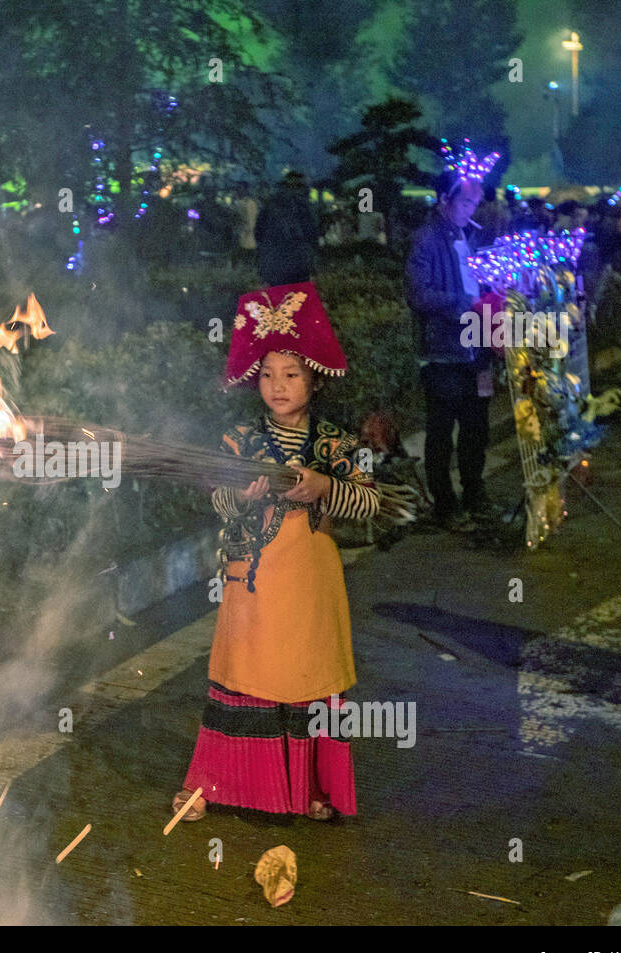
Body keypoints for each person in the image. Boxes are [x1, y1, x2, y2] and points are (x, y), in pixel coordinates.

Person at [174, 282, 380, 823]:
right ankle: (213, 784)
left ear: (314, 377)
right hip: (254, 585)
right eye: (267, 375)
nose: (278, 386)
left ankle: (310, 788)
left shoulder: (335, 444)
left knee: (306, 684)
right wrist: (239, 495)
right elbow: (217, 500)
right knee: (246, 680)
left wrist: (325, 489)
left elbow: (369, 502)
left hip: (310, 585)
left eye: (291, 374)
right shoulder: (239, 441)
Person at [405, 172, 494, 528]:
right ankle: (445, 502)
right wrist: (464, 303)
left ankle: (474, 491)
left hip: (478, 349)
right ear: (444, 199)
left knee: (477, 429)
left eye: (475, 202)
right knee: (441, 431)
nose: (472, 209)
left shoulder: (472, 236)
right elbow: (418, 294)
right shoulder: (425, 240)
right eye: (465, 202)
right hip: (443, 351)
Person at [254, 172, 319, 285]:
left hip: (274, 264)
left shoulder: (269, 205)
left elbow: (258, 234)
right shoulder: (304, 206)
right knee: (298, 298)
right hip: (299, 263)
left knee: (278, 299)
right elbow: (313, 235)